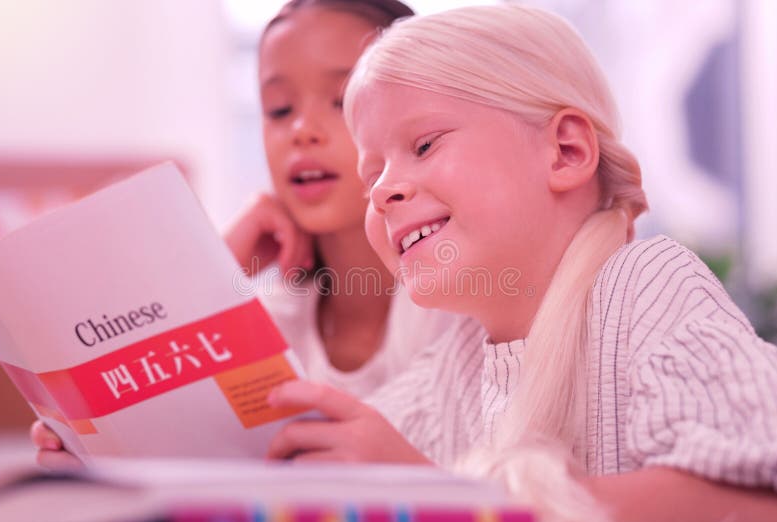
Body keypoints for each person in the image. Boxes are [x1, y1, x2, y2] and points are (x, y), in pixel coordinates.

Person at [263, 5, 777, 522]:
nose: (380, 191)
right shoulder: (448, 374)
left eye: (424, 145)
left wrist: (437, 497)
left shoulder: (642, 287)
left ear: (566, 150)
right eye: (371, 172)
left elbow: (765, 503)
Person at [31, 0, 472, 469]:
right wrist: (219, 270)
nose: (301, 131)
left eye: (342, 100)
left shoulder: (464, 310)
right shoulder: (276, 319)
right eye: (279, 109)